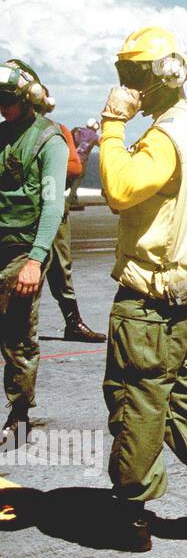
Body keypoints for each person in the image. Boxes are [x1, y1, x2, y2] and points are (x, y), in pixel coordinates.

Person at [98, 25, 187, 552]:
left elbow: (118, 190)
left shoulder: (163, 133)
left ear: (154, 77)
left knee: (137, 400)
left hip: (152, 303)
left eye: (129, 76)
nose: (124, 87)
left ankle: (131, 519)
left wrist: (113, 125)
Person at [0, 60, 68, 448]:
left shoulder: (49, 140)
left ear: (27, 100)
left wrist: (35, 259)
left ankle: (19, 414)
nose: (1, 107)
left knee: (17, 336)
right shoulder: (4, 133)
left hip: (22, 250)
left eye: (7, 100)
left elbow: (52, 206)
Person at [36, 91, 106, 343]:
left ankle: (72, 322)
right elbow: (74, 168)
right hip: (51, 206)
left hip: (27, 212)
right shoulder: (57, 130)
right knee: (60, 267)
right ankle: (72, 322)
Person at [68, 118, 100, 208]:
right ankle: (70, 200)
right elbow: (102, 144)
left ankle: (73, 197)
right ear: (95, 126)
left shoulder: (78, 130)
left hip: (71, 158)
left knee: (71, 178)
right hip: (81, 160)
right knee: (78, 178)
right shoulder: (94, 136)